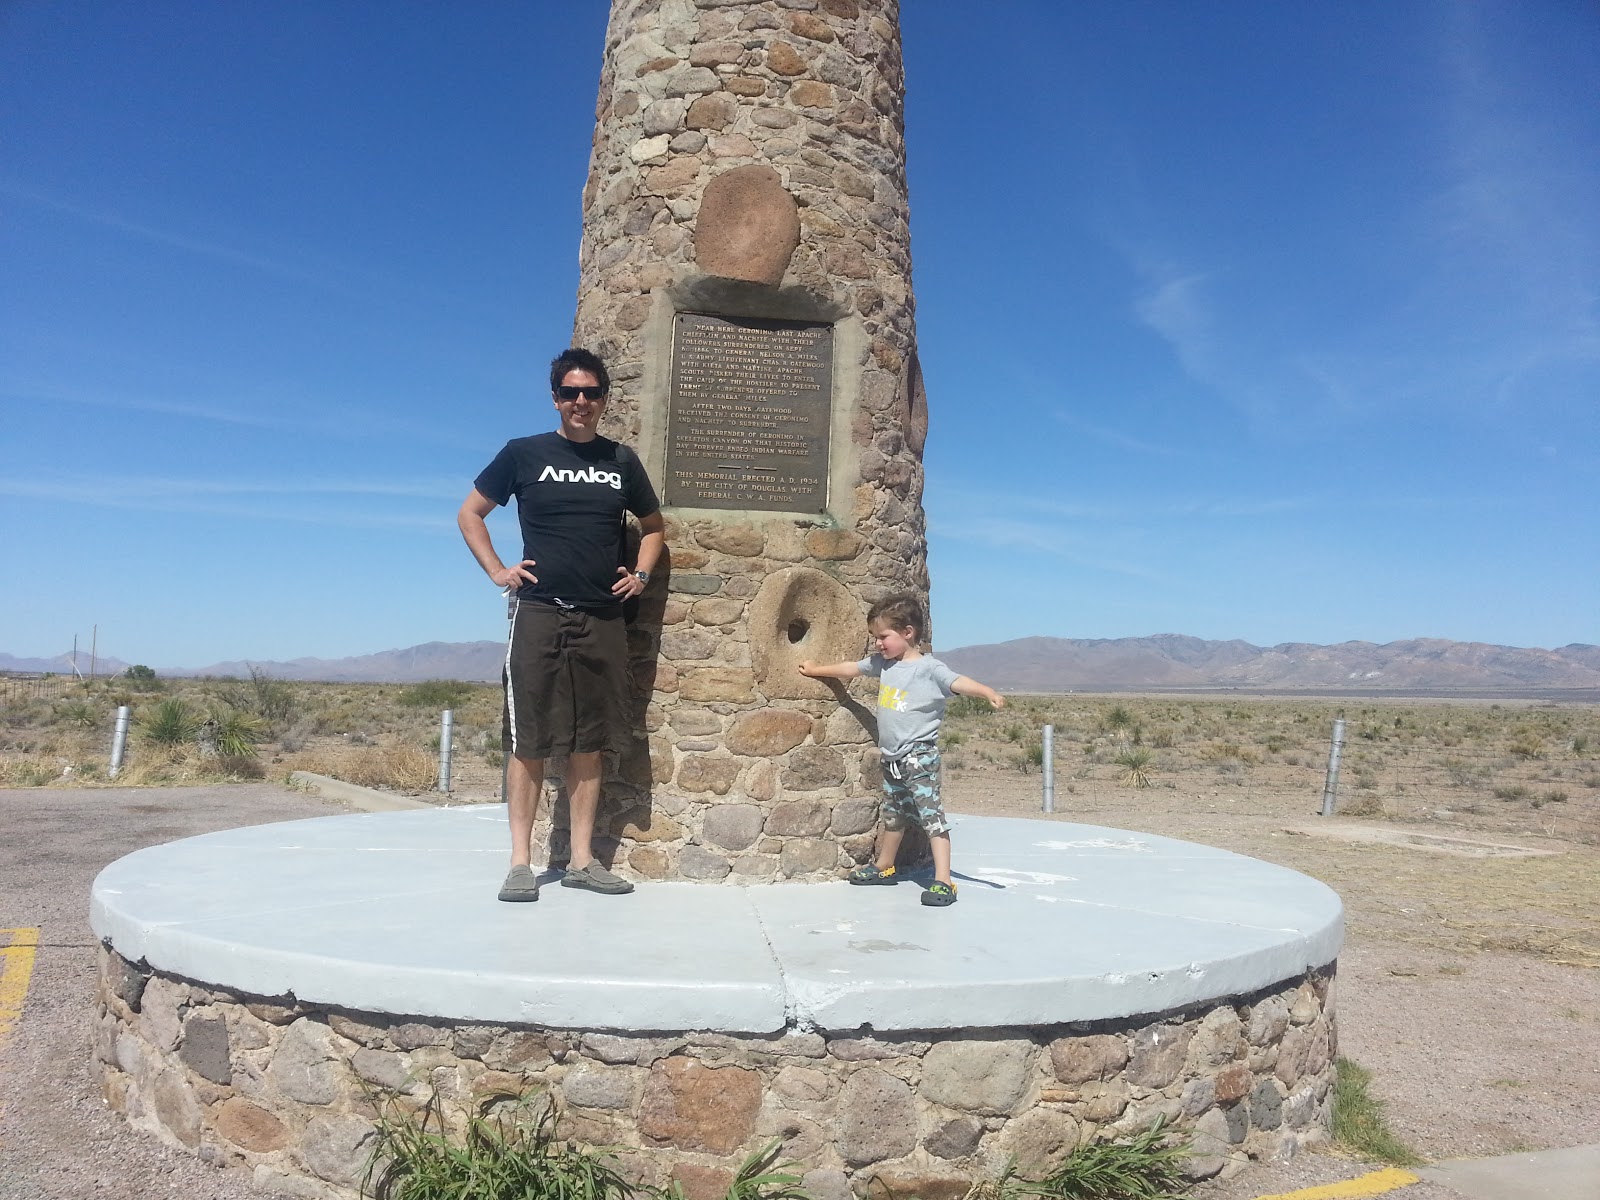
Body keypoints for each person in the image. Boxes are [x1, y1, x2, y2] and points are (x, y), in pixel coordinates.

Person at [458, 348, 664, 903]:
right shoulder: (524, 454)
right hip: (540, 611)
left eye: (591, 393)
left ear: (603, 400)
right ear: (556, 398)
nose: (581, 402)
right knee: (529, 739)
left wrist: (640, 576)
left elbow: (653, 526)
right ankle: (521, 862)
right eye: (571, 392)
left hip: (602, 615)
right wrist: (498, 570)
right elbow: (470, 513)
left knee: (589, 743)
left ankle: (580, 860)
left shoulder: (620, 459)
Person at [798, 593, 1004, 907]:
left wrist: (986, 691)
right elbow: (851, 668)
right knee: (894, 817)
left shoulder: (928, 669)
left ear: (908, 633)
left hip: (918, 757)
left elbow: (957, 682)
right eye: (875, 637)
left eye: (883, 637)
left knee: (931, 818)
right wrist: (816, 670)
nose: (878, 644)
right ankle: (885, 867)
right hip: (892, 758)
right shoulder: (883, 665)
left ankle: (944, 881)